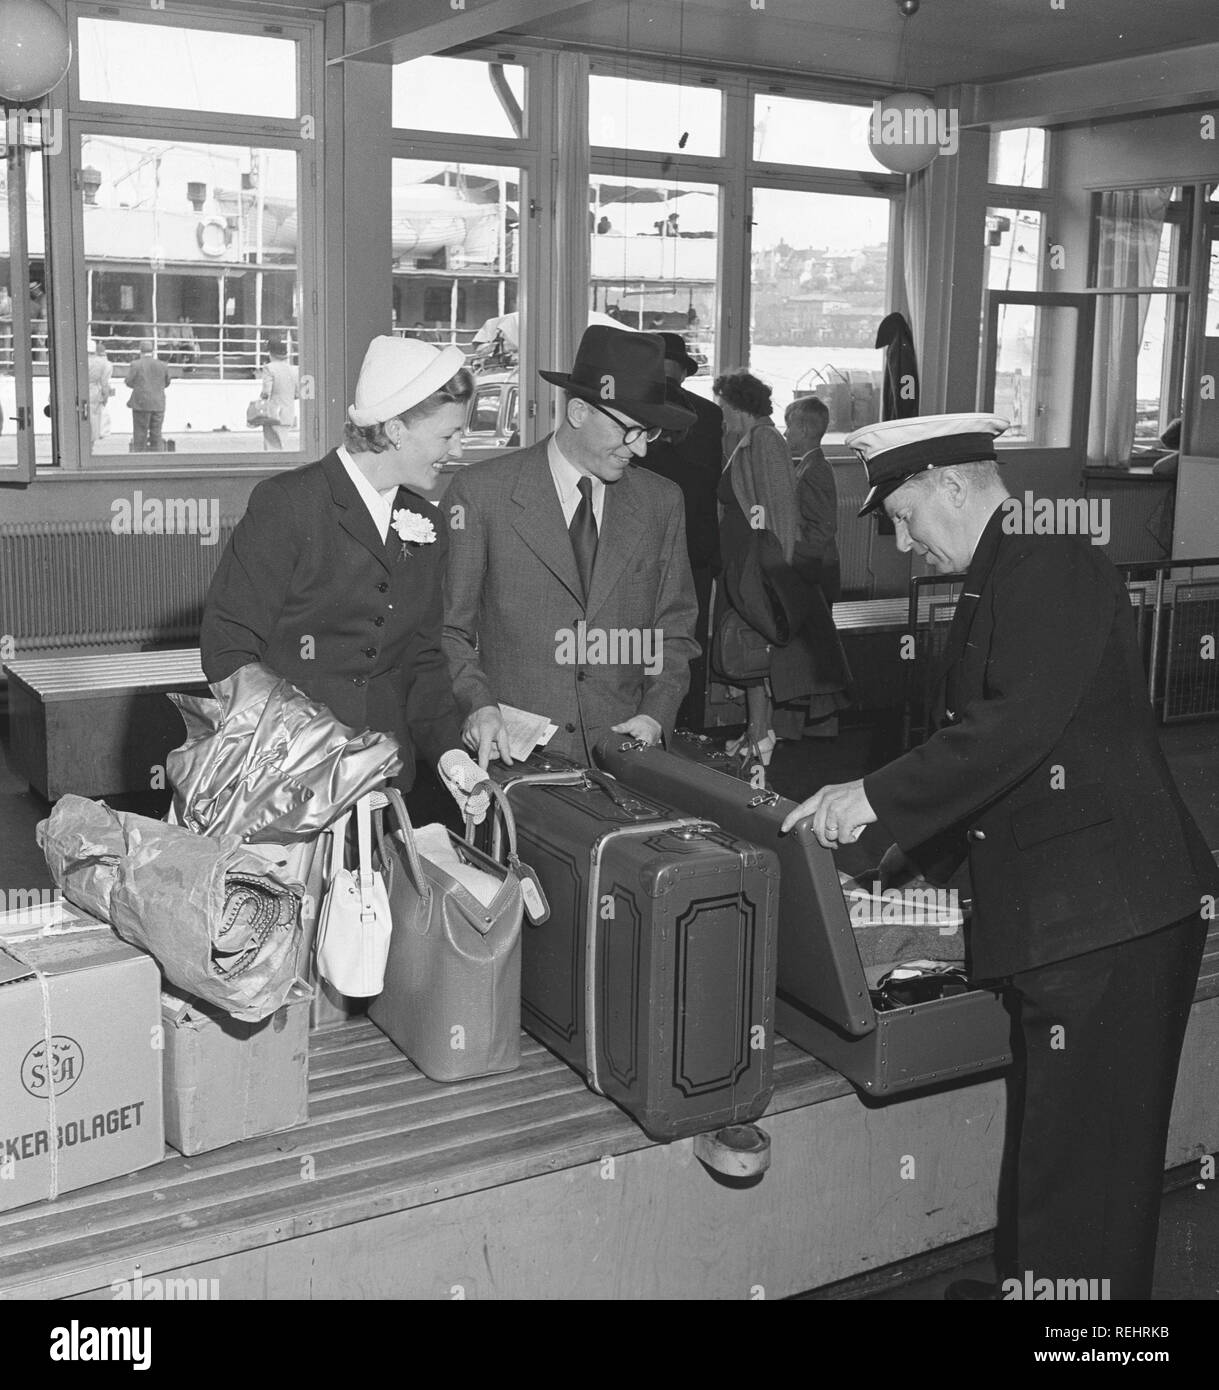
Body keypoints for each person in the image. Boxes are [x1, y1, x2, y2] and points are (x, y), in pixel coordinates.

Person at [780, 412, 1219, 1301]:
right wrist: (876, 857)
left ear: (952, 484)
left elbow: (1008, 729)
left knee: (1087, 1177)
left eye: (903, 517)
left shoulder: (1048, 563)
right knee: (1053, 1150)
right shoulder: (1004, 570)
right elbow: (989, 764)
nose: (901, 546)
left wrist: (869, 798)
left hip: (1107, 922)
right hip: (1070, 914)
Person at [202, 336, 489, 822]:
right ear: (396, 429)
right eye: (448, 435)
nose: (458, 451)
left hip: (387, 783)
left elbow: (422, 659)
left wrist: (449, 754)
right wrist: (319, 753)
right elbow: (228, 653)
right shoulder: (288, 504)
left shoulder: (428, 523)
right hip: (286, 784)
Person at [444, 325, 700, 766]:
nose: (639, 449)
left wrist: (656, 714)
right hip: (514, 754)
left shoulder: (661, 501)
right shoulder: (481, 493)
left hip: (622, 749)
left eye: (650, 433)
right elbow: (451, 629)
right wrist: (477, 704)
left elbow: (673, 627)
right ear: (579, 412)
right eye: (631, 430)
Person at [714, 369, 847, 761]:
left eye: (725, 406)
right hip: (746, 564)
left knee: (756, 645)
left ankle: (761, 734)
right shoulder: (751, 439)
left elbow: (782, 511)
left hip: (758, 566)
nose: (722, 413)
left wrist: (779, 574)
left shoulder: (766, 440)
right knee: (750, 646)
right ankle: (757, 730)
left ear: (739, 406)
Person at [637, 333, 723, 730]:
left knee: (639, 639)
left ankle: (650, 721)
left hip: (646, 545)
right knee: (687, 641)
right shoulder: (709, 414)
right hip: (696, 546)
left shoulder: (638, 410)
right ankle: (688, 727)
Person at [124, 340, 173, 452]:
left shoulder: (136, 364)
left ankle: (140, 461)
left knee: (140, 434)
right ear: (152, 351)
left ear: (140, 351)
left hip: (141, 404)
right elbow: (167, 383)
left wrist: (139, 387)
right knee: (156, 434)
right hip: (158, 403)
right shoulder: (163, 365)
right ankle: (157, 460)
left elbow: (128, 381)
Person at [258, 338, 299, 451]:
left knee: (271, 448)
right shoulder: (294, 370)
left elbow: (266, 392)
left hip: (272, 415)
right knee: (282, 446)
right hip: (288, 414)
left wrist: (261, 399)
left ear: (271, 353)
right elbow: (297, 394)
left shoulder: (269, 368)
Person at [86, 338, 113, 445]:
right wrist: (105, 397)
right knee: (94, 418)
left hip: (80, 390)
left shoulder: (78, 361)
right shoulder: (102, 363)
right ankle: (91, 442)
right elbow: (104, 383)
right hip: (94, 392)